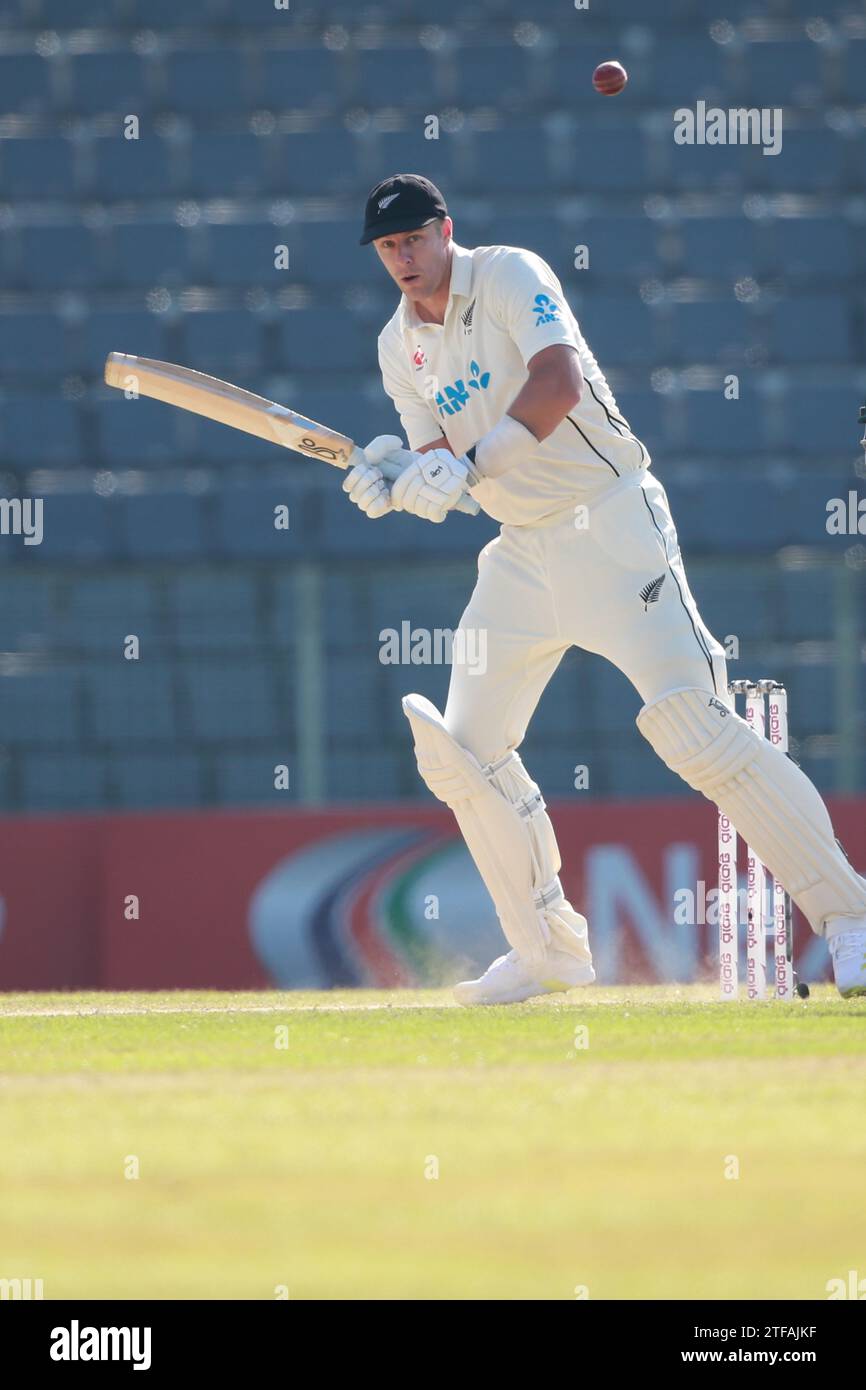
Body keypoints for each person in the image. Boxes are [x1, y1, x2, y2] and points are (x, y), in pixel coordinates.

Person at [343, 173, 866, 1004]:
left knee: (695, 729)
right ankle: (546, 949)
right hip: (522, 552)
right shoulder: (396, 347)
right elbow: (442, 463)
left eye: (414, 238)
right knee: (461, 753)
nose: (402, 257)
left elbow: (558, 384)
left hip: (610, 520)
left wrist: (459, 467)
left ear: (447, 230)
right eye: (387, 247)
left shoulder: (512, 274)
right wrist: (397, 475)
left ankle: (850, 918)